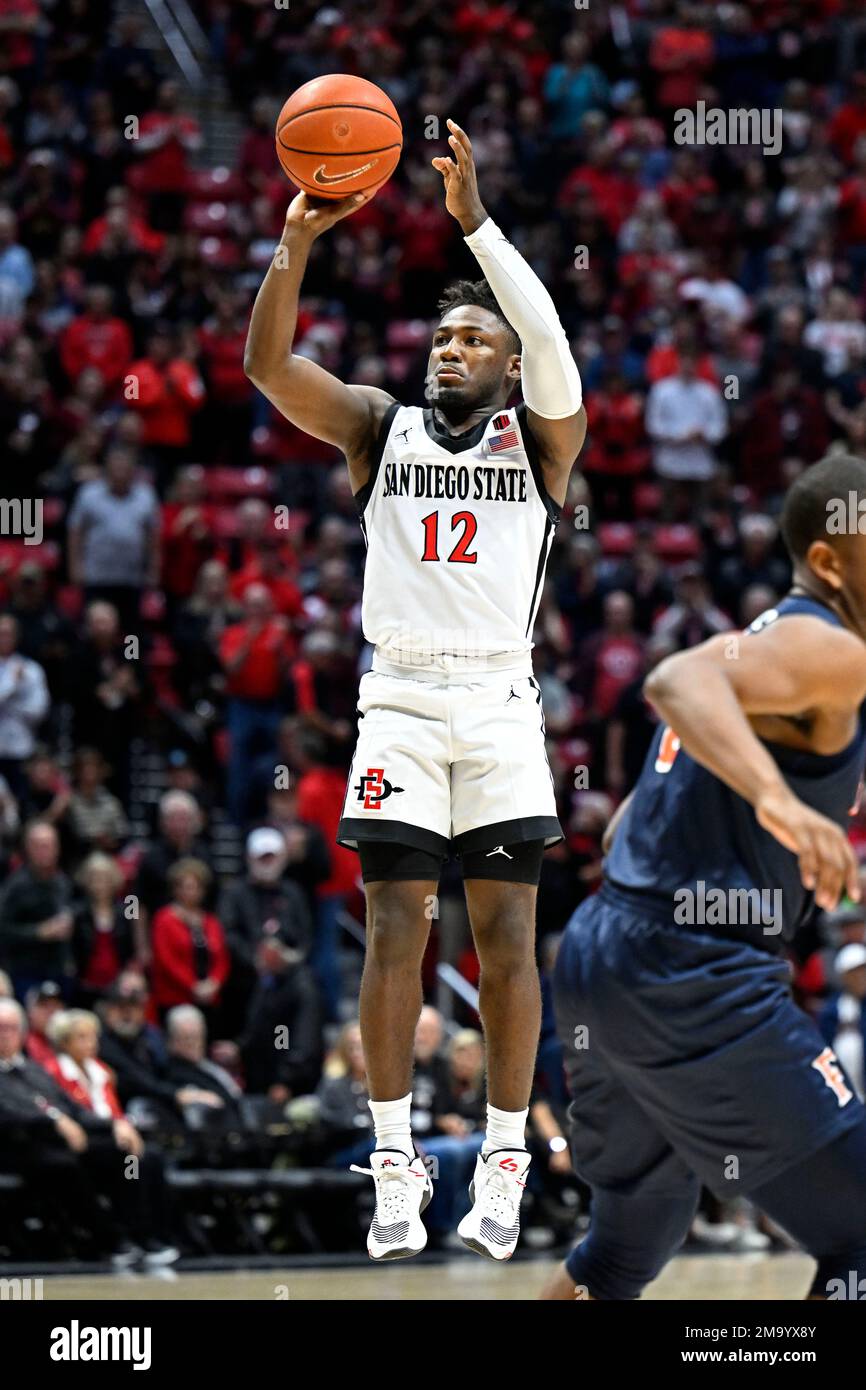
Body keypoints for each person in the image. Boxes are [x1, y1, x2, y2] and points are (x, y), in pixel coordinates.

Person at [245, 120, 586, 1261]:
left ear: (501, 363)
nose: (449, 347)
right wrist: (292, 247)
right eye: (440, 334)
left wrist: (475, 225)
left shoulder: (540, 445)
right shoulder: (377, 427)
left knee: (505, 937)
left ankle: (501, 1158)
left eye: (469, 337)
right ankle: (391, 1160)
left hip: (498, 704)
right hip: (396, 697)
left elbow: (549, 336)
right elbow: (267, 369)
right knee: (395, 922)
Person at [543, 453, 866, 1301]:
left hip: (604, 951)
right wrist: (782, 807)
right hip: (692, 973)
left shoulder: (772, 648)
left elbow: (626, 822)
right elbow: (671, 677)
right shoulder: (825, 647)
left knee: (618, 1257)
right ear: (830, 561)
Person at [0, 820, 74, 1000]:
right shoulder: (14, 887)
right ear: (28, 849)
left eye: (49, 845)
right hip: (25, 971)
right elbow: (3, 930)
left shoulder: (63, 882)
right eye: (39, 846)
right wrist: (38, 932)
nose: (45, 850)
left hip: (58, 969)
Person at [150, 858, 229, 1020]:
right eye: (186, 887)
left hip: (209, 998)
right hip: (174, 997)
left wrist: (214, 983)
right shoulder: (164, 919)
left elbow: (222, 958)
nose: (190, 892)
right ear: (176, 889)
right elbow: (166, 959)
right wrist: (193, 985)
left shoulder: (211, 921)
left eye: (195, 887)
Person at [0, 612, 49, 799]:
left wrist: (10, 705)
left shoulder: (31, 670)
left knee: (20, 800)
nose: (4, 638)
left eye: (8, 633)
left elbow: (39, 711)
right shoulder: (16, 676)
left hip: (22, 747)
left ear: (16, 636)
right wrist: (12, 686)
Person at [819, 944, 866, 1102]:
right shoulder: (831, 1010)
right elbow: (824, 1052)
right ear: (844, 977)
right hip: (844, 1092)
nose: (860, 977)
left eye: (863, 970)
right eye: (854, 973)